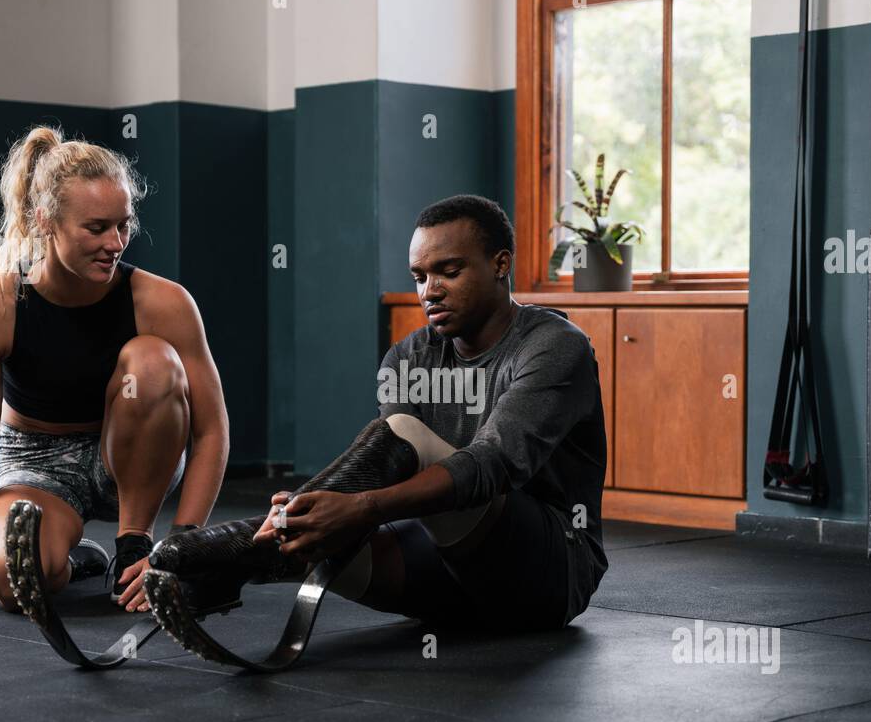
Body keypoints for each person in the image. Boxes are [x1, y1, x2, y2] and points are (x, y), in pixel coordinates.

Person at [146, 194, 607, 639]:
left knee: (399, 441)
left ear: (500, 265)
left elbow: (492, 466)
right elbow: (383, 474)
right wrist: (312, 509)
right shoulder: (408, 356)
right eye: (420, 276)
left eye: (449, 271)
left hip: (545, 576)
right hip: (448, 588)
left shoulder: (554, 346)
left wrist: (356, 506)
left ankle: (244, 551)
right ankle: (245, 559)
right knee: (329, 524)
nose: (430, 291)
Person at [0, 125, 228, 614]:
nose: (116, 242)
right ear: (45, 221)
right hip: (34, 462)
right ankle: (75, 562)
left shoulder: (166, 302)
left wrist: (185, 547)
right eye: (97, 228)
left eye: (124, 224)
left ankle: (134, 545)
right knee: (16, 579)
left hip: (134, 456)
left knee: (153, 364)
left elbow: (211, 431)